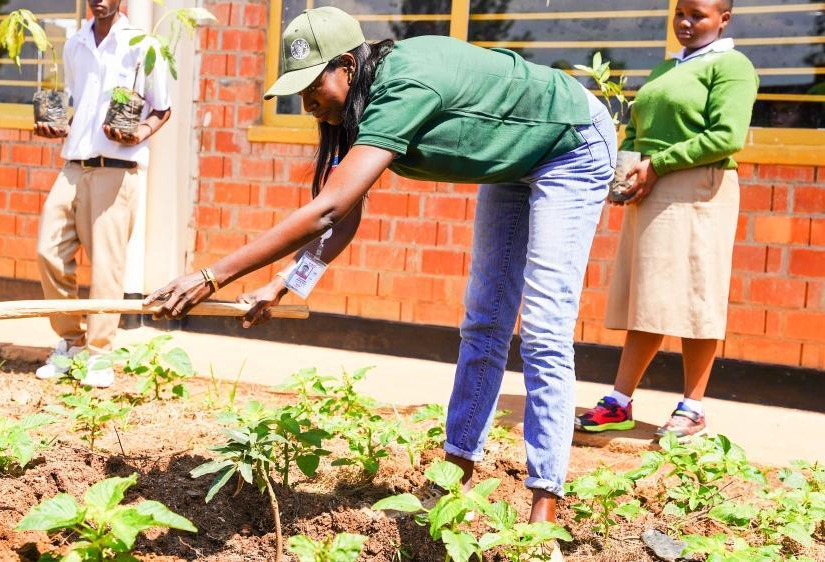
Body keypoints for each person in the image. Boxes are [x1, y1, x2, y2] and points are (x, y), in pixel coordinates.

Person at [145, 6, 615, 546]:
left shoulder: (404, 86)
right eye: (298, 94)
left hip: (569, 143)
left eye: (312, 86)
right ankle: (453, 482)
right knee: (484, 320)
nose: (307, 105)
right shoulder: (360, 104)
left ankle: (543, 518)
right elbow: (344, 210)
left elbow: (327, 209)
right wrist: (289, 281)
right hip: (515, 160)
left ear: (347, 65)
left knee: (544, 326)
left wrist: (213, 274)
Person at [575, 0, 757, 438]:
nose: (686, 23)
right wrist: (629, 169)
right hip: (652, 187)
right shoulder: (665, 70)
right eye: (680, 14)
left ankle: (692, 407)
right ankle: (619, 400)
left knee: (697, 295)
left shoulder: (731, 66)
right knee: (646, 297)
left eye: (698, 15)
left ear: (723, 19)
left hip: (698, 189)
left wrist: (657, 166)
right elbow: (638, 126)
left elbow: (727, 136)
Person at [33, 0, 171, 387]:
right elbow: (77, 103)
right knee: (48, 249)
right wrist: (59, 124)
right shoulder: (75, 44)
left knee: (107, 265)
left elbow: (162, 108)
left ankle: (99, 355)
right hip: (74, 165)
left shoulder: (143, 44)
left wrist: (137, 134)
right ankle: (71, 341)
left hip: (116, 168)